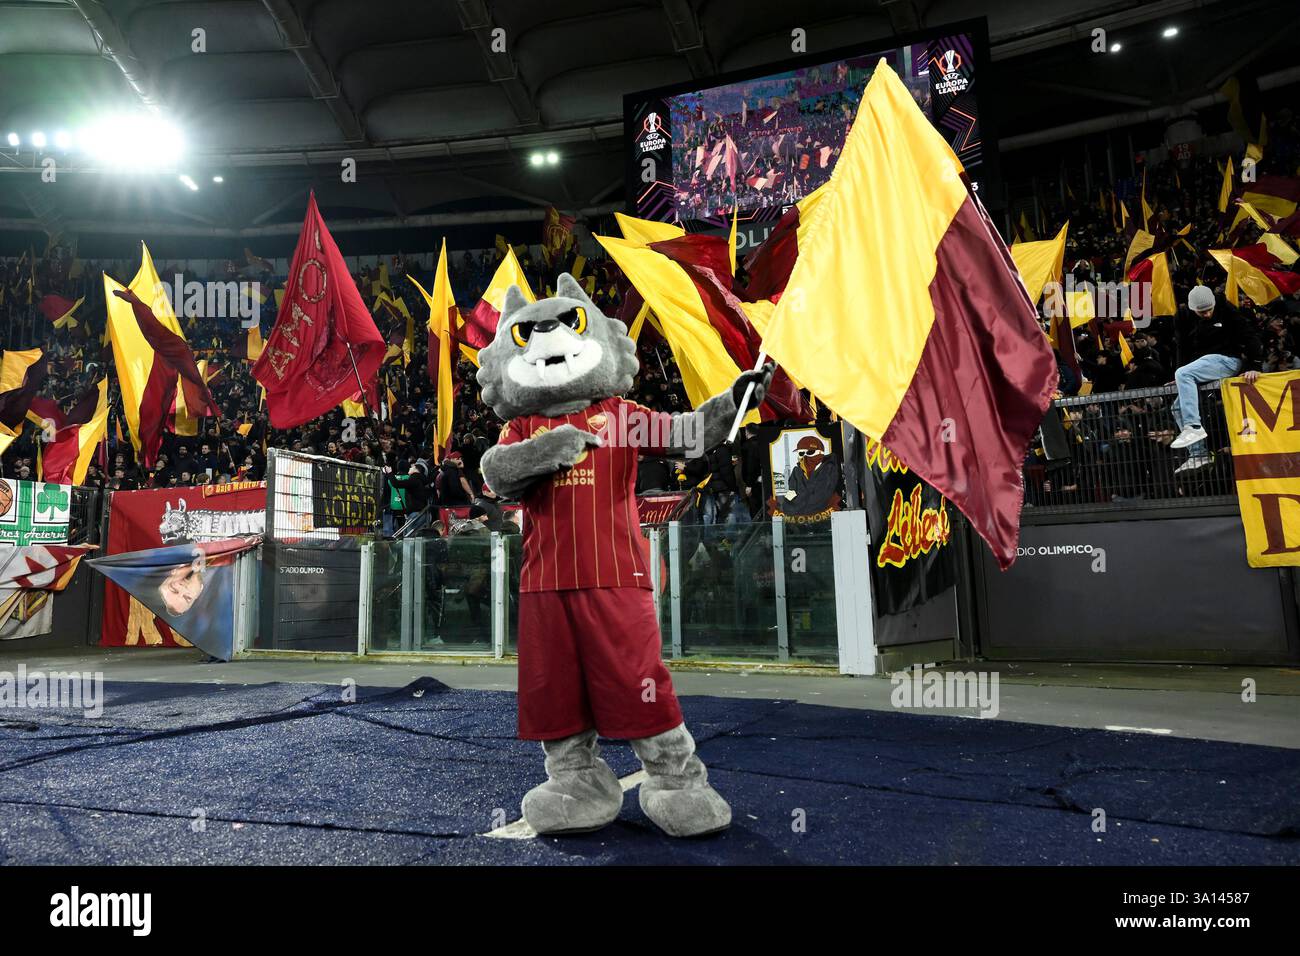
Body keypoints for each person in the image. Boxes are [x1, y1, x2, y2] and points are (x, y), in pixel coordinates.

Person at [1169, 285, 1262, 473]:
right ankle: (1199, 454)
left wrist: (1254, 365)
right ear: (1192, 309)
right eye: (1202, 312)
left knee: (1184, 374)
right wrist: (1181, 373)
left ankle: (1193, 426)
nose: (1207, 314)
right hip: (1202, 365)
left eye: (1209, 310)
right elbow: (1182, 347)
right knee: (1177, 407)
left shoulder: (1224, 307)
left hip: (1228, 360)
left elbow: (1249, 334)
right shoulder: (1182, 316)